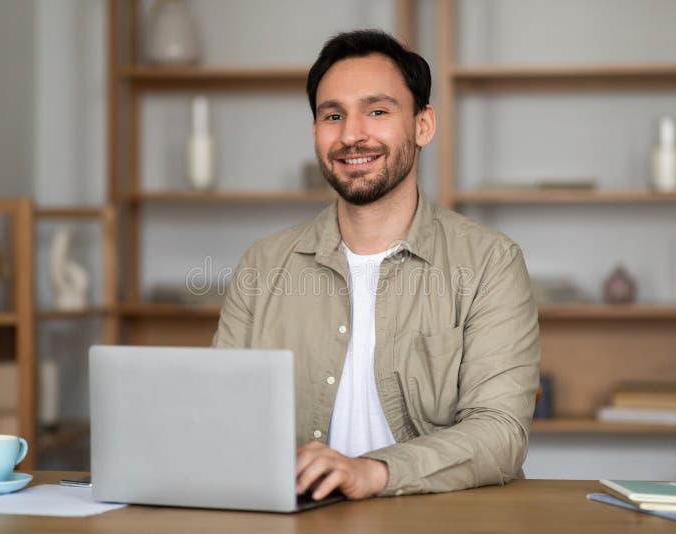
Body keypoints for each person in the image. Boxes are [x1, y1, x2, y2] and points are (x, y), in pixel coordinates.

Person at [212, 29, 540, 500]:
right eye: (333, 115)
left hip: (440, 520)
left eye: (378, 111)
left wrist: (372, 471)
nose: (351, 135)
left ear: (423, 125)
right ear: (316, 133)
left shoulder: (491, 263)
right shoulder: (262, 264)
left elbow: (502, 434)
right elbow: (222, 419)